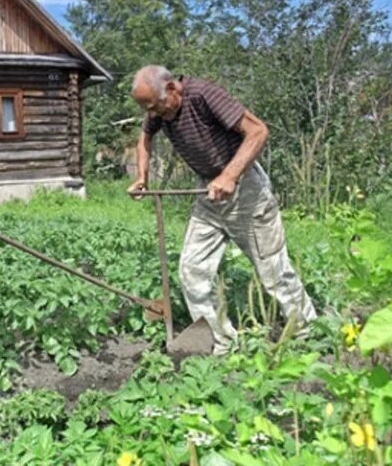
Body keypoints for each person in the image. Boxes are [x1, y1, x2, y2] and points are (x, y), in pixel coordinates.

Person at [128, 65, 317, 355]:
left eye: (156, 106)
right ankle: (219, 343)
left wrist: (230, 175)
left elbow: (258, 131)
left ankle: (308, 333)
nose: (154, 114)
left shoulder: (204, 95)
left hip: (245, 189)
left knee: (273, 269)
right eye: (148, 109)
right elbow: (145, 139)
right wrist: (142, 176)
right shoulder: (157, 110)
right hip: (208, 193)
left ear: (171, 88)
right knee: (192, 269)